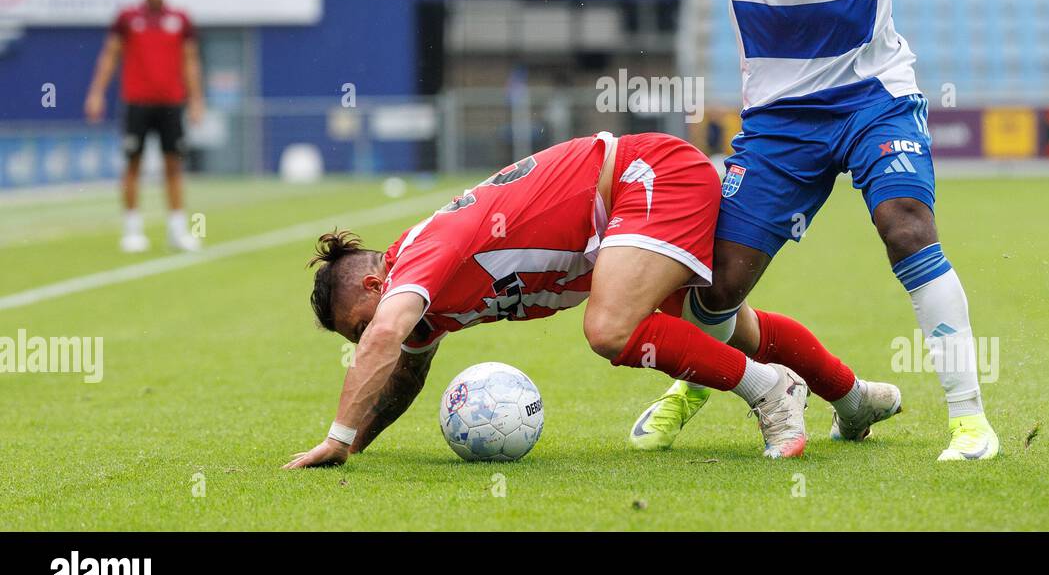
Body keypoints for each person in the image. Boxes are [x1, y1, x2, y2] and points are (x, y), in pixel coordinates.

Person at [616, 0, 1022, 461]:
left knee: (905, 225)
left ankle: (970, 419)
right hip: (779, 121)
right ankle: (696, 386)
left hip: (875, 99)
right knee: (718, 287)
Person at [283, 132, 901, 468]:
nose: (363, 342)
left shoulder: (418, 258)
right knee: (718, 325)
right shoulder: (423, 304)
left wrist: (335, 432)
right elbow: (404, 370)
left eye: (357, 328)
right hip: (625, 222)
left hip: (647, 175)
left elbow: (387, 336)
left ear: (373, 285)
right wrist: (357, 442)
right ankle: (853, 398)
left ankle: (770, 391)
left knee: (609, 328)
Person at [84, 0, 204, 253]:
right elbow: (110, 56)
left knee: (173, 166)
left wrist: (196, 99)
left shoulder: (180, 19)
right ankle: (132, 230)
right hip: (137, 102)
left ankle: (177, 230)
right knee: (132, 165)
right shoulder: (127, 18)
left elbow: (190, 62)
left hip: (171, 103)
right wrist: (97, 92)